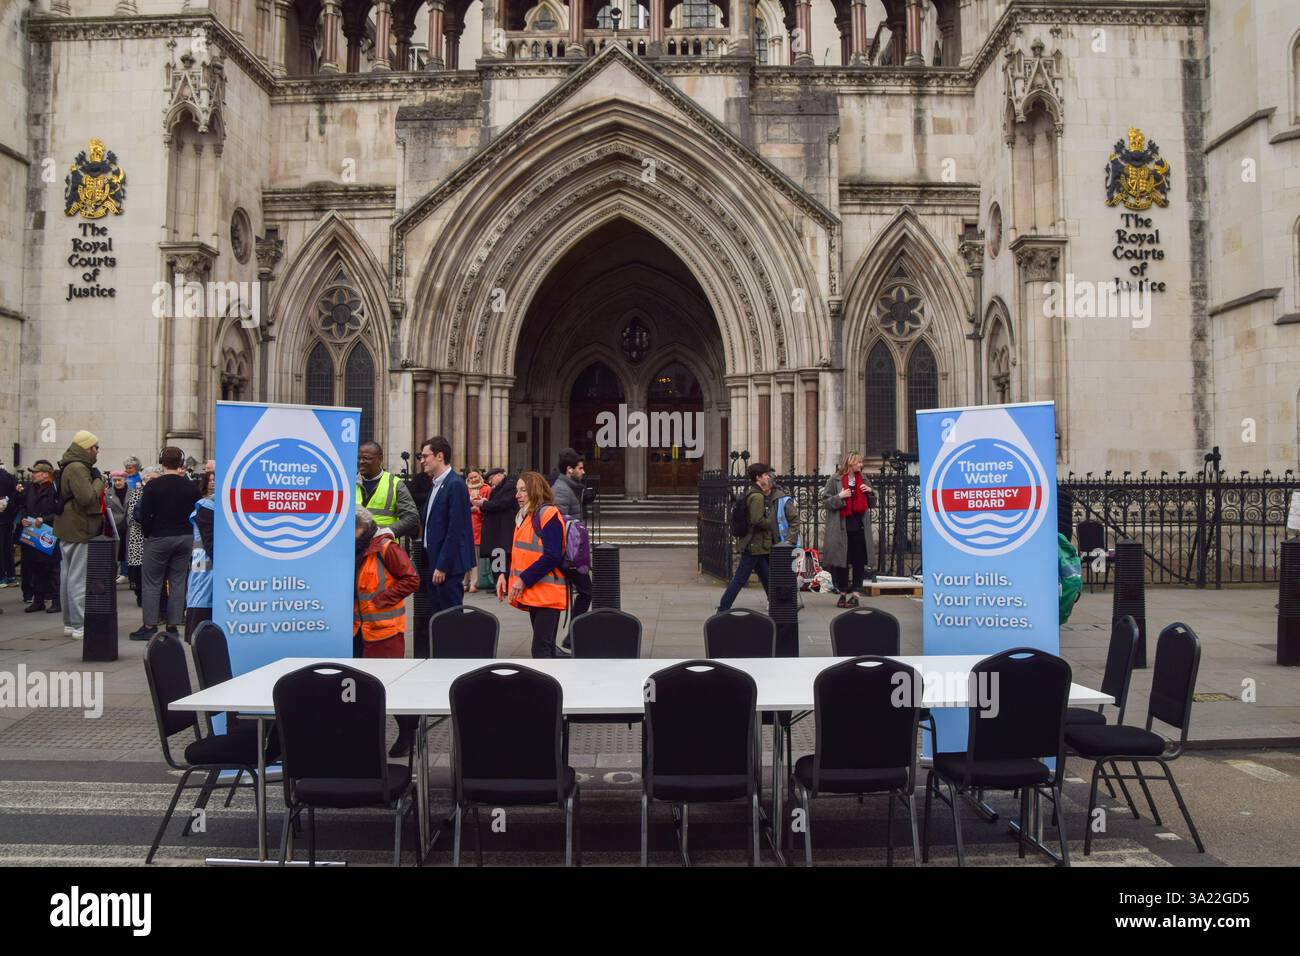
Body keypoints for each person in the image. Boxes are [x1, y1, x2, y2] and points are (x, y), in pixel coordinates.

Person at [352, 507, 421, 755]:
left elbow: (412, 579)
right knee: (368, 687)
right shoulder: (357, 550)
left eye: (356, 530)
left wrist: (382, 599)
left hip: (385, 630)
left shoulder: (385, 548)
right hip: (361, 629)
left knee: (389, 686)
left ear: (364, 528)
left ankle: (408, 728)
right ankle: (370, 740)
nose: (353, 535)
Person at [130, 447, 200, 641]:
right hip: (185, 537)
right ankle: (173, 625)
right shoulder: (191, 487)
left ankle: (150, 625)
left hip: (159, 537)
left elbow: (144, 515)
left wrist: (149, 533)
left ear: (162, 462)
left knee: (152, 582)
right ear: (181, 464)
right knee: (178, 581)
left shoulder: (153, 486)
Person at [498, 471, 569, 658]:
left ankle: (548, 686)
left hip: (548, 594)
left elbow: (552, 555)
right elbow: (517, 551)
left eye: (523, 490)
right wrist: (503, 574)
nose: (517, 495)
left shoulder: (548, 514)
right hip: (536, 593)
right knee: (545, 649)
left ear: (535, 490)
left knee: (541, 650)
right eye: (517, 490)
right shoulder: (525, 516)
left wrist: (523, 579)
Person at [54, 431, 107, 640]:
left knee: (67, 575)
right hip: (79, 526)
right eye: (96, 447)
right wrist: (99, 481)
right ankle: (79, 624)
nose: (97, 451)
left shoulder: (70, 464)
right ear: (87, 448)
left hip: (69, 525)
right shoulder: (78, 467)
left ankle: (69, 622)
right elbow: (87, 498)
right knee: (77, 578)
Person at [417, 436, 476, 616]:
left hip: (447, 566)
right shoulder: (436, 484)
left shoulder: (455, 484)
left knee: (450, 615)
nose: (422, 461)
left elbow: (455, 530)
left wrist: (442, 566)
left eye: (425, 456)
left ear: (440, 456)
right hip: (433, 560)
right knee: (439, 615)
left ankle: (454, 645)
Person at [821, 451, 876, 608]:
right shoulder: (835, 480)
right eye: (859, 462)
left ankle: (856, 594)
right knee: (842, 562)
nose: (861, 465)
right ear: (850, 463)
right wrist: (840, 496)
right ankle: (843, 593)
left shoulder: (864, 479)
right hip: (842, 528)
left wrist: (870, 492)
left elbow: (872, 503)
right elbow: (825, 501)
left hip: (859, 528)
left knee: (859, 562)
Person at [718, 463, 775, 611]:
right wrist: (772, 522)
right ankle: (723, 607)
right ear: (758, 477)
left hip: (757, 544)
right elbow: (757, 521)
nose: (768, 477)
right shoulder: (757, 496)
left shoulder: (752, 492)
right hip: (754, 543)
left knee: (766, 576)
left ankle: (777, 603)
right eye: (765, 475)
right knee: (739, 579)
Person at [551, 448, 592, 648]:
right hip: (568, 555)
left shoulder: (569, 487)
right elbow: (558, 524)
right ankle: (571, 637)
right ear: (569, 470)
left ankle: (571, 637)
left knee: (582, 593)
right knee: (586, 592)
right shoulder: (561, 489)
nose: (583, 472)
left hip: (571, 553)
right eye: (580, 468)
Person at [355, 441, 421, 541]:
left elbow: (412, 517)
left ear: (380, 459)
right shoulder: (349, 484)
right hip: (354, 550)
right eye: (359, 458)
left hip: (383, 550)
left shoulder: (395, 484)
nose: (361, 462)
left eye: (366, 458)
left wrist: (387, 531)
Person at [18, 461, 61, 615]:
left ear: (45, 474)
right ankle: (38, 600)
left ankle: (57, 600)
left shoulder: (55, 489)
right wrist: (23, 518)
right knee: (35, 566)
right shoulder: (31, 488)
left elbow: (60, 512)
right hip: (32, 531)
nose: (33, 474)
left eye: (36, 472)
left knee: (52, 567)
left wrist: (46, 519)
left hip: (48, 532)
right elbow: (23, 506)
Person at [184, 469, 216, 642]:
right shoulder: (206, 505)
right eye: (210, 479)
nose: (213, 483)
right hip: (203, 564)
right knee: (201, 596)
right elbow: (209, 541)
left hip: (203, 564)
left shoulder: (209, 505)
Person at [476, 467, 517, 588]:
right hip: (496, 532)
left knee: (503, 557)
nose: (490, 481)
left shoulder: (510, 486)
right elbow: (494, 504)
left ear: (499, 475)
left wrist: (484, 503)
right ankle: (498, 583)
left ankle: (504, 583)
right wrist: (484, 503)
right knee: (497, 557)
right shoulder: (498, 489)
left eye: (491, 478)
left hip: (503, 530)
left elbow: (502, 503)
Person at [125, 465, 159, 607]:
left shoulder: (160, 492)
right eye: (148, 478)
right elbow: (132, 515)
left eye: (153, 478)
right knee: (138, 569)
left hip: (154, 535)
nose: (150, 480)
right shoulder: (136, 492)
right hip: (138, 535)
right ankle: (139, 594)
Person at [106, 470, 130, 582]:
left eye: (119, 480)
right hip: (114, 525)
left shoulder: (132, 492)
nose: (117, 482)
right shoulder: (108, 493)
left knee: (127, 549)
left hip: (128, 524)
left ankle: (125, 573)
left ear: (124, 480)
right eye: (115, 480)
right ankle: (113, 574)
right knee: (115, 551)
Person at [464, 470, 484, 593]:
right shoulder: (465, 489)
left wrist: (479, 508)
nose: (473, 479)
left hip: (478, 526)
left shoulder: (485, 488)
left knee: (475, 557)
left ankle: (474, 583)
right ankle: (465, 582)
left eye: (475, 476)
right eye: (471, 477)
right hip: (466, 525)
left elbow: (487, 506)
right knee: (465, 556)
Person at [0, 459, 18, 589]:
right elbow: (15, 498)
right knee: (7, 548)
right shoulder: (10, 477)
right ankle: (11, 576)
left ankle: (2, 577)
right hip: (8, 518)